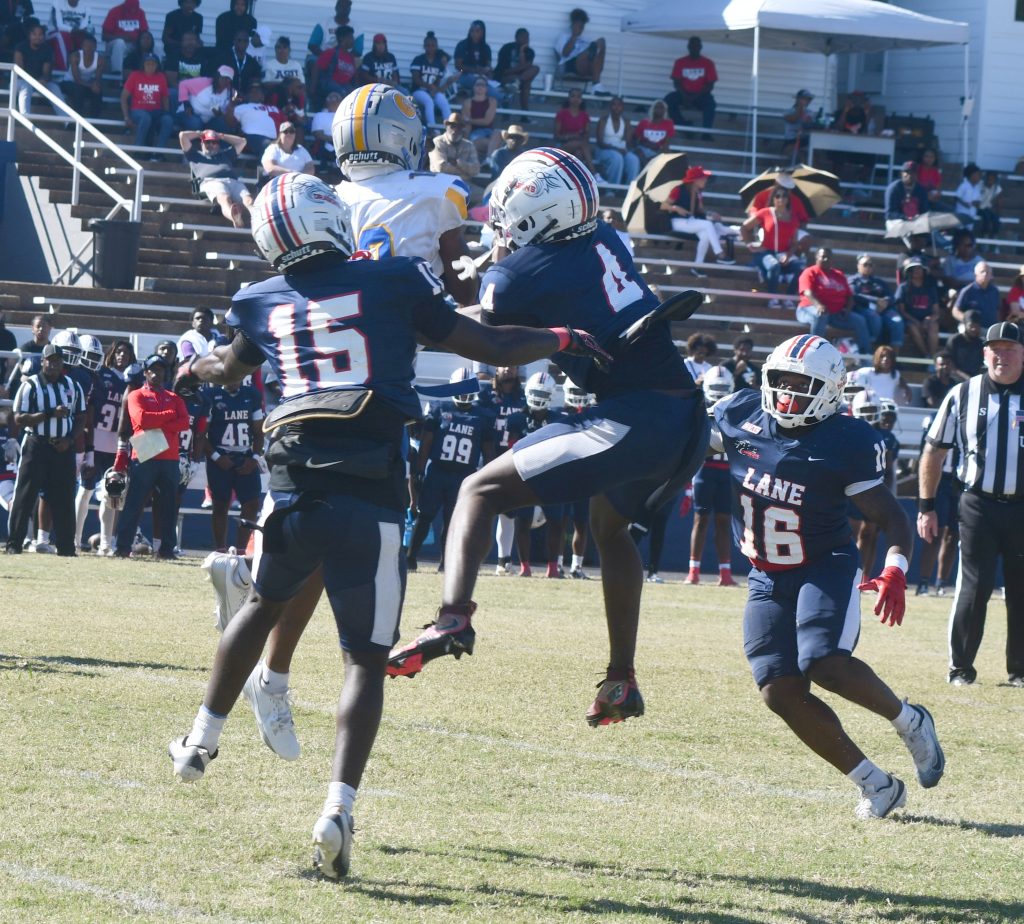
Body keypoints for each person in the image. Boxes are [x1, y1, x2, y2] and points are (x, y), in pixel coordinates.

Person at [167, 172, 610, 881]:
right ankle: (337, 808)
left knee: (261, 604)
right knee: (362, 660)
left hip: (292, 489)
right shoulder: (393, 279)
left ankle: (199, 739)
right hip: (370, 492)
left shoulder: (259, 301)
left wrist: (192, 366)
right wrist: (561, 336)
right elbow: (487, 345)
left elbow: (223, 367)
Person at [197, 84, 480, 760]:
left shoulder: (323, 196)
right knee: (349, 540)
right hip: (382, 381)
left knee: (312, 535)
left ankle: (269, 652)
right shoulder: (440, 190)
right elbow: (462, 290)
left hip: (311, 374)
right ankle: (259, 614)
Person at [385, 148, 708, 732]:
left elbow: (483, 331)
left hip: (631, 417)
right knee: (610, 532)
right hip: (680, 416)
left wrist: (417, 307)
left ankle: (453, 615)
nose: (499, 224)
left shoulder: (512, 276)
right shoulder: (604, 236)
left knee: (479, 491)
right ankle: (621, 679)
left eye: (508, 214)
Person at [713, 333, 944, 819]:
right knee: (779, 691)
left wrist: (895, 569)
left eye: (803, 385)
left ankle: (910, 721)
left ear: (831, 389)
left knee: (823, 661)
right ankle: (877, 786)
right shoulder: (738, 413)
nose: (788, 395)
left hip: (824, 564)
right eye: (782, 382)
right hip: (765, 575)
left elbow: (892, 517)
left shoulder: (847, 441)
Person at [919, 321, 1024, 687]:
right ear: (984, 354)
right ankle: (961, 668)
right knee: (974, 586)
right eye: (995, 348)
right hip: (978, 503)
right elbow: (933, 450)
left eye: (1010, 348)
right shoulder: (962, 394)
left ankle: (1020, 672)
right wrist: (926, 505)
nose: (1002, 355)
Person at [407, 369, 495, 572]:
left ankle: (446, 562)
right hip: (438, 471)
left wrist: (486, 476)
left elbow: (488, 451)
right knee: (425, 515)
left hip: (464, 475)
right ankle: (411, 557)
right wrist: (419, 470)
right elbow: (427, 443)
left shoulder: (482, 415)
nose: (464, 394)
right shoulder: (440, 408)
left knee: (452, 521)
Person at [5, 344, 86, 556]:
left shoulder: (72, 385)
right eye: (50, 360)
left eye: (58, 360)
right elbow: (19, 418)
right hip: (37, 444)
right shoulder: (30, 385)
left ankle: (66, 547)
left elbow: (81, 417)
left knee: (65, 497)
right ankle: (14, 544)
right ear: (43, 361)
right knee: (25, 496)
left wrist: (69, 440)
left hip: (62, 447)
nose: (54, 364)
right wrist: (49, 413)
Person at [112, 354, 190, 559]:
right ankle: (122, 547)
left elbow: (184, 423)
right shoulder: (136, 395)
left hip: (169, 457)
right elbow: (142, 419)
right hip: (144, 454)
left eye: (161, 370)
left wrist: (160, 422)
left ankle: (166, 550)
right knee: (134, 503)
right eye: (152, 370)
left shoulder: (174, 398)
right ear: (145, 372)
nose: (157, 374)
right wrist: (168, 417)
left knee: (168, 505)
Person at [684, 365, 735, 586]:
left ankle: (725, 574)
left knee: (724, 522)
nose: (719, 391)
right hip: (705, 469)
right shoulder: (698, 408)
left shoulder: (736, 408)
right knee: (701, 520)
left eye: (723, 387)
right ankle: (693, 572)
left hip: (728, 472)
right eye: (715, 386)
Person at [205, 379, 263, 550]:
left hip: (245, 456)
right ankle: (220, 549)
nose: (235, 379)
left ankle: (241, 550)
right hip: (220, 458)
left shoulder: (251, 394)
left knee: (252, 504)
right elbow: (202, 434)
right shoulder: (211, 395)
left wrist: (254, 458)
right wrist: (216, 457)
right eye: (232, 375)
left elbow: (259, 433)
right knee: (220, 504)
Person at [89, 339, 135, 555]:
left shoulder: (133, 380)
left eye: (126, 353)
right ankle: (76, 537)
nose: (122, 356)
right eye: (118, 352)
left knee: (114, 493)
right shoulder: (102, 375)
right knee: (86, 488)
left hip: (119, 442)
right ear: (112, 354)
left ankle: (108, 541)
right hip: (98, 438)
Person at [797, 247, 873, 357]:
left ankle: (866, 356)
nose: (826, 259)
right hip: (808, 308)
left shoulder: (838, 274)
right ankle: (814, 352)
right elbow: (808, 293)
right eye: (823, 256)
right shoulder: (809, 272)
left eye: (828, 257)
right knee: (820, 315)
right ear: (816, 257)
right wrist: (818, 305)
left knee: (859, 320)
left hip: (835, 314)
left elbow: (849, 296)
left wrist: (847, 309)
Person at [662, 165, 735, 276]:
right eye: (702, 178)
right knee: (708, 225)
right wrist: (675, 208)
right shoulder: (678, 189)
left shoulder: (698, 193)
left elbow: (700, 211)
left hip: (691, 221)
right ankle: (720, 254)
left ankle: (697, 266)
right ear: (695, 180)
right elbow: (663, 205)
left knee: (705, 234)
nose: (705, 180)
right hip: (677, 221)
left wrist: (711, 213)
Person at [740, 185, 805, 304]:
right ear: (773, 198)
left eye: (784, 196)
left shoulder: (793, 218)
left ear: (788, 199)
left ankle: (789, 298)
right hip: (765, 252)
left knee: (801, 269)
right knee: (774, 265)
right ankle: (772, 298)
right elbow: (744, 228)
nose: (781, 198)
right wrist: (749, 244)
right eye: (777, 196)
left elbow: (795, 243)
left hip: (783, 254)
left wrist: (789, 255)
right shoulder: (766, 212)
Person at [180, 128, 252, 228]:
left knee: (249, 200)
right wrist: (200, 134)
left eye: (214, 142)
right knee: (224, 198)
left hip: (233, 181)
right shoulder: (194, 155)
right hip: (211, 181)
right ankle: (234, 218)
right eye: (207, 142)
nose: (211, 145)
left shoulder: (226, 154)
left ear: (218, 144)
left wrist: (221, 136)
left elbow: (242, 142)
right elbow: (183, 135)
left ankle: (256, 217)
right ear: (202, 143)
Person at [847, 253, 903, 352]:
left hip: (883, 309)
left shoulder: (878, 282)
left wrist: (885, 302)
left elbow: (891, 297)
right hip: (863, 309)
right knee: (874, 317)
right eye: (865, 264)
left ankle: (895, 356)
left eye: (870, 265)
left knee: (897, 320)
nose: (868, 267)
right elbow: (855, 295)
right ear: (858, 266)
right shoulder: (852, 280)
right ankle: (872, 350)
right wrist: (876, 301)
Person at [121, 53, 174, 155]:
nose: (150, 66)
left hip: (156, 112)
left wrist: (166, 112)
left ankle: (159, 152)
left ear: (157, 65)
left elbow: (165, 98)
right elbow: (123, 97)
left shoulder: (161, 77)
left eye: (153, 64)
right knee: (145, 117)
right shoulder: (135, 75)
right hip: (138, 111)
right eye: (148, 63)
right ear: (143, 65)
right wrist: (126, 117)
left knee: (168, 120)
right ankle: (138, 150)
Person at [664, 36, 716, 138]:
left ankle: (706, 134)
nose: (694, 48)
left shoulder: (708, 63)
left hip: (701, 94)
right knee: (668, 101)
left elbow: (710, 85)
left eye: (697, 46)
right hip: (683, 93)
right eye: (692, 46)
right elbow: (676, 82)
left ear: (700, 47)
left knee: (711, 104)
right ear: (688, 47)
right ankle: (685, 127)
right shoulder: (680, 62)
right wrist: (685, 96)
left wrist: (694, 97)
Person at [892, 257, 940, 358]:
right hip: (910, 320)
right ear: (909, 271)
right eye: (913, 268)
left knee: (934, 327)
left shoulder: (930, 288)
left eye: (919, 268)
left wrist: (929, 319)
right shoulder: (903, 287)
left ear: (924, 271)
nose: (916, 271)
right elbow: (902, 311)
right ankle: (926, 355)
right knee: (913, 328)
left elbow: (936, 311)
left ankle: (933, 357)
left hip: (928, 320)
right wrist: (916, 321)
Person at [554, 7, 607, 95]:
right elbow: (565, 53)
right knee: (595, 45)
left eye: (582, 26)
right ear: (573, 24)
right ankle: (596, 85)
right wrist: (574, 36)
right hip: (569, 65)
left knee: (602, 41)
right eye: (579, 26)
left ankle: (596, 85)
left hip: (587, 65)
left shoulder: (586, 39)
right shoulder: (563, 36)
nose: (581, 29)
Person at [14, 21, 63, 114]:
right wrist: (34, 82)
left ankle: (67, 121)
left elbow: (46, 72)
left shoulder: (47, 50)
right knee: (26, 86)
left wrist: (43, 79)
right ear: (29, 36)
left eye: (40, 34)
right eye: (34, 34)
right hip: (20, 81)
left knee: (55, 87)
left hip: (39, 82)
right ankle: (25, 118)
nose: (37, 37)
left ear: (44, 37)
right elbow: (19, 71)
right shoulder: (20, 47)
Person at [593, 96, 639, 186]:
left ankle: (628, 189)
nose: (616, 107)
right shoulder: (603, 120)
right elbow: (600, 143)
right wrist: (615, 149)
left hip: (621, 149)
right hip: (604, 150)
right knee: (617, 157)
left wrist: (629, 134)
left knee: (634, 159)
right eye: (614, 105)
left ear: (623, 107)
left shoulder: (626, 121)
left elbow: (628, 142)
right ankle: (611, 189)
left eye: (619, 105)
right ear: (610, 107)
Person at [410, 31, 451, 128]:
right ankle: (433, 128)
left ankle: (450, 127)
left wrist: (434, 90)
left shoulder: (439, 62)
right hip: (418, 90)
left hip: (432, 90)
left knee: (443, 101)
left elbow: (437, 82)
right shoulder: (419, 59)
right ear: (424, 47)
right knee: (429, 101)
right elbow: (415, 79)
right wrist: (429, 87)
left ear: (436, 46)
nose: (430, 48)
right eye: (428, 46)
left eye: (433, 46)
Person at [227, 81, 280, 156]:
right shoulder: (241, 108)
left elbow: (285, 123)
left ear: (263, 96)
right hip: (254, 137)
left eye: (259, 91)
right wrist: (231, 106)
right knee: (268, 147)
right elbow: (229, 123)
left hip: (276, 138)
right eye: (253, 92)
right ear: (247, 95)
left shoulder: (274, 108)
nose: (256, 94)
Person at [176, 64, 234, 131]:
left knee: (223, 125)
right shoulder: (204, 82)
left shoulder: (230, 92)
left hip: (208, 120)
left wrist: (218, 112)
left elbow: (222, 111)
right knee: (195, 123)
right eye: (223, 77)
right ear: (217, 76)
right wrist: (186, 104)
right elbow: (183, 84)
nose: (224, 80)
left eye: (227, 79)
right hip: (191, 114)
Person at [60, 31, 103, 118]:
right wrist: (91, 86)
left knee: (98, 91)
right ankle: (76, 119)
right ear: (82, 47)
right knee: (79, 90)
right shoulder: (75, 56)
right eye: (86, 46)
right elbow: (77, 80)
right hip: (68, 83)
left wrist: (96, 85)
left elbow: (97, 79)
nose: (88, 48)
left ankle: (94, 121)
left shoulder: (100, 59)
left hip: (85, 85)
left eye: (91, 46)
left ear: (95, 47)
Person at [428, 111, 479, 184]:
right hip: (440, 183)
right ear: (446, 126)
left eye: (458, 127)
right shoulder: (437, 142)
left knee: (480, 193)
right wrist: (464, 171)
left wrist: (458, 163)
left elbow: (476, 170)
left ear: (462, 129)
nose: (455, 130)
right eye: (452, 126)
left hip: (463, 184)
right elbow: (441, 167)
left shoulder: (469, 145)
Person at [495, 28, 538, 112]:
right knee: (526, 82)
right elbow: (502, 71)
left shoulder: (530, 51)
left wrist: (522, 52)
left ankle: (524, 114)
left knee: (535, 69)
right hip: (504, 77)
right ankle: (524, 114)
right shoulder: (506, 48)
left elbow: (527, 67)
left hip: (519, 79)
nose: (526, 40)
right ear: (516, 38)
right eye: (524, 37)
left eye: (527, 37)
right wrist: (522, 69)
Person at [553, 88, 594, 173]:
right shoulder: (562, 114)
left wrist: (577, 137)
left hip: (579, 145)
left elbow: (586, 136)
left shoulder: (584, 115)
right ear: (569, 98)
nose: (576, 99)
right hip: (563, 145)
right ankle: (593, 173)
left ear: (581, 99)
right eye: (573, 96)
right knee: (582, 144)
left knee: (579, 152)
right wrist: (571, 137)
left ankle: (571, 178)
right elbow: (556, 136)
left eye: (578, 97)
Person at [313, 25, 356, 105]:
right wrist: (313, 89)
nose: (353, 40)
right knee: (343, 92)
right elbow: (317, 68)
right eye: (350, 37)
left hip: (345, 86)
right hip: (331, 86)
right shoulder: (330, 53)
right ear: (341, 38)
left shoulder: (350, 57)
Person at [101, 0, 147, 73]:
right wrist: (122, 37)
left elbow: (145, 33)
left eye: (135, 8)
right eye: (131, 8)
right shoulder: (114, 12)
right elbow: (104, 36)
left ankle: (156, 76)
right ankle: (116, 74)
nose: (133, 10)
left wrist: (140, 41)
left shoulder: (140, 13)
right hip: (115, 45)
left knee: (157, 47)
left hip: (134, 44)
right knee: (120, 43)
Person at [952, 261, 999, 328]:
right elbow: (955, 311)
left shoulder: (995, 291)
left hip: (990, 328)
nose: (985, 274)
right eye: (982, 272)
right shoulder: (967, 291)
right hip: (971, 330)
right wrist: (968, 321)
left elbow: (997, 310)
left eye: (988, 272)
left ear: (991, 275)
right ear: (975, 274)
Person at [214, 27, 261, 94]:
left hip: (245, 98)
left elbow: (256, 82)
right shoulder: (223, 58)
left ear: (248, 43)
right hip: (226, 95)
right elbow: (216, 79)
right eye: (239, 40)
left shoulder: (253, 63)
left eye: (245, 41)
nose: (242, 43)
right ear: (234, 41)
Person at [461, 76, 497, 159]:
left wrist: (469, 120)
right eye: (478, 84)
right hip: (475, 133)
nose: (480, 87)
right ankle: (489, 160)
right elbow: (466, 124)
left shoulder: (492, 101)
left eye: (483, 85)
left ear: (487, 88)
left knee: (498, 133)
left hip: (490, 132)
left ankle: (488, 159)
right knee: (492, 144)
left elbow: (487, 121)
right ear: (473, 87)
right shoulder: (467, 102)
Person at [633, 99, 674, 166]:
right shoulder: (644, 122)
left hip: (657, 150)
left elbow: (666, 144)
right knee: (639, 156)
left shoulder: (669, 123)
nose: (659, 109)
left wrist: (660, 149)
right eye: (657, 107)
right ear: (652, 109)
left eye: (662, 108)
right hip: (643, 149)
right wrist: (646, 144)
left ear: (665, 110)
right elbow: (636, 139)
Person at [947, 309, 984, 379]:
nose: (974, 329)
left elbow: (981, 364)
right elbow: (949, 362)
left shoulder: (980, 343)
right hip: (954, 377)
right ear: (965, 325)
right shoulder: (955, 340)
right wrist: (965, 377)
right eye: (971, 325)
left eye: (976, 326)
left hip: (974, 378)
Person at [781, 89, 814, 162]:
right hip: (791, 142)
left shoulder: (810, 113)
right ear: (798, 99)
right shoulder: (788, 111)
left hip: (805, 142)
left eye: (809, 99)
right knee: (799, 158)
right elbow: (793, 119)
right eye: (805, 99)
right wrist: (800, 108)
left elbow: (809, 124)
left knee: (814, 157)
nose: (807, 101)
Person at [954, 163, 982, 230]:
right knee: (960, 230)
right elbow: (956, 197)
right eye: (977, 174)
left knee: (968, 231)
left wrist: (976, 203)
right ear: (971, 175)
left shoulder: (977, 188)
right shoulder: (964, 186)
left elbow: (978, 201)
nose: (979, 177)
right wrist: (964, 204)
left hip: (971, 214)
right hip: (962, 213)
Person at [977, 170, 1002, 238]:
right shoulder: (979, 185)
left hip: (988, 208)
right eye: (988, 179)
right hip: (978, 208)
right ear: (985, 178)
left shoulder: (997, 188)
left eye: (992, 179)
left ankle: (994, 237)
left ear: (995, 180)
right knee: (986, 217)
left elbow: (998, 202)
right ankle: (985, 235)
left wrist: (997, 212)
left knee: (996, 219)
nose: (990, 181)